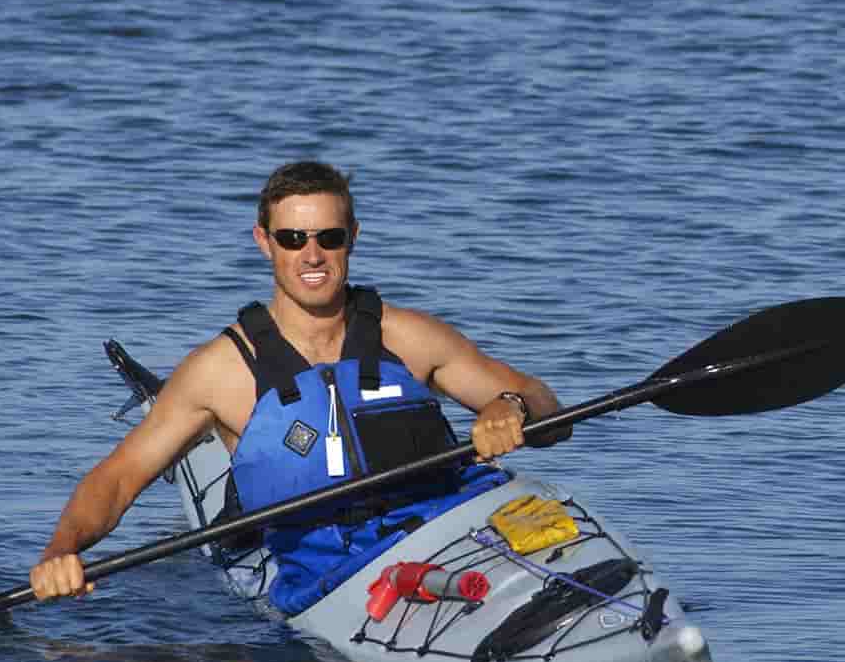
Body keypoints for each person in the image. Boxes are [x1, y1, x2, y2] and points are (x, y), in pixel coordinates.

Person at [30, 160, 567, 614]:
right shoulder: (221, 370)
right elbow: (118, 479)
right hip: (322, 572)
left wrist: (511, 406)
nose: (312, 255)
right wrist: (61, 548)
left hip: (449, 533)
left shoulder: (411, 338)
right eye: (293, 238)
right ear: (265, 242)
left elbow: (547, 407)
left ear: (352, 237)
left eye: (328, 238)